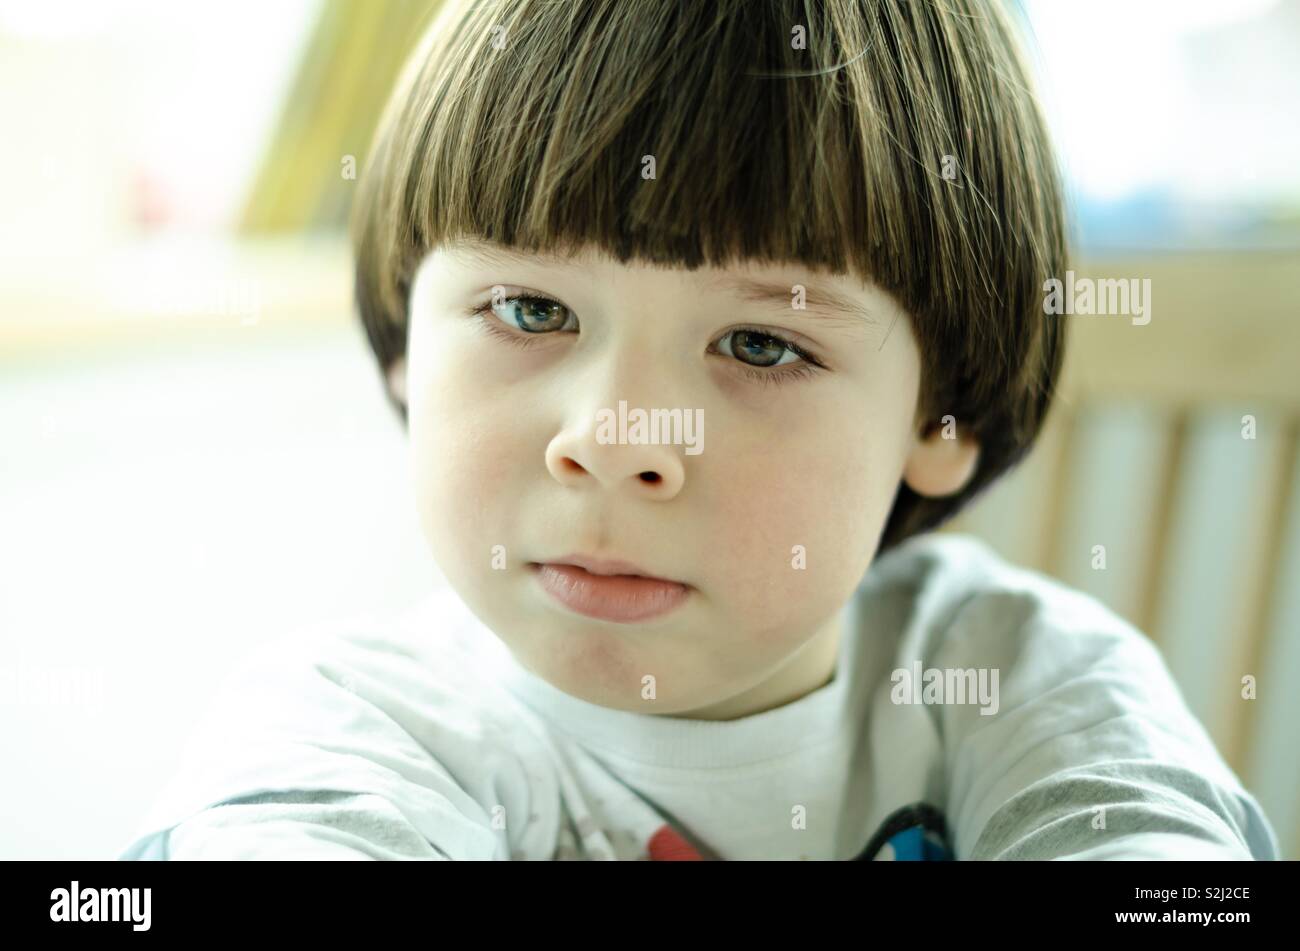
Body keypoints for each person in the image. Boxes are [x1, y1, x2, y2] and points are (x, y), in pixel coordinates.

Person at [119, 0, 1278, 861]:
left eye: (762, 345)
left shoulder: (1028, 685)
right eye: (531, 310)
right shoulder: (342, 735)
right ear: (405, 355)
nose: (616, 438)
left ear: (945, 413)